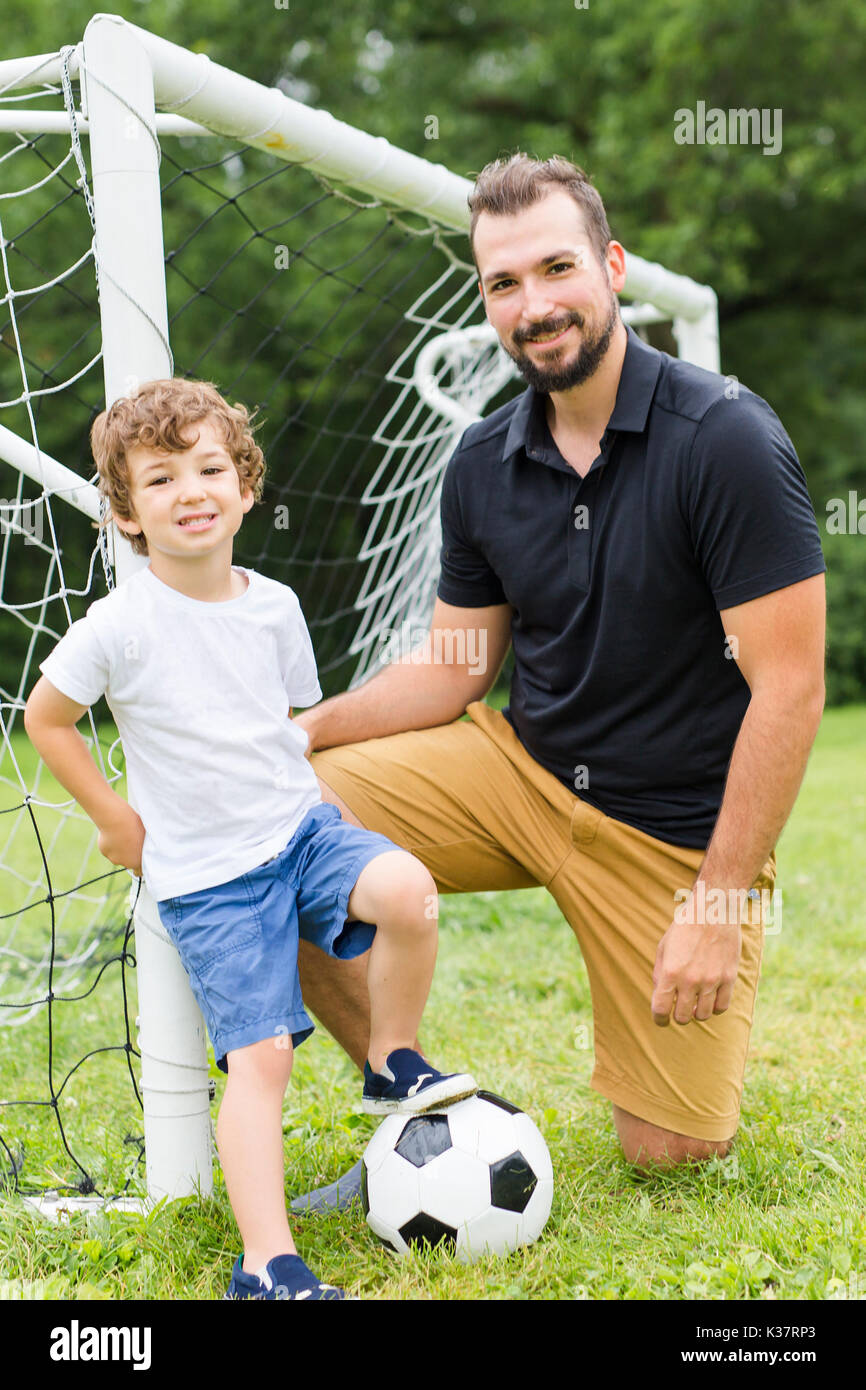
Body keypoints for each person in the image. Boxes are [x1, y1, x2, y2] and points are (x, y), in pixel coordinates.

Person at [289, 154, 827, 1213]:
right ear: (483, 299)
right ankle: (416, 1117)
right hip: (520, 772)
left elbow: (789, 689)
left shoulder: (721, 438)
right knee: (271, 817)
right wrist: (306, 729)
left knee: (669, 1152)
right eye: (501, 283)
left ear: (612, 267)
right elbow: (455, 669)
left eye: (554, 268)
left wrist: (714, 904)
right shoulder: (480, 463)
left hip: (667, 832)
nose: (532, 306)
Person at [23, 379, 477, 1301]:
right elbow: (46, 718)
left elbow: (276, 723)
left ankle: (391, 1063)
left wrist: (320, 812)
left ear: (245, 485)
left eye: (209, 468)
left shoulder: (272, 605)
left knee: (409, 891)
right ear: (125, 513)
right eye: (160, 479)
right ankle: (268, 1264)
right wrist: (114, 819)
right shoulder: (118, 626)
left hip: (299, 831)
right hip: (210, 879)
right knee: (261, 1058)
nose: (190, 490)